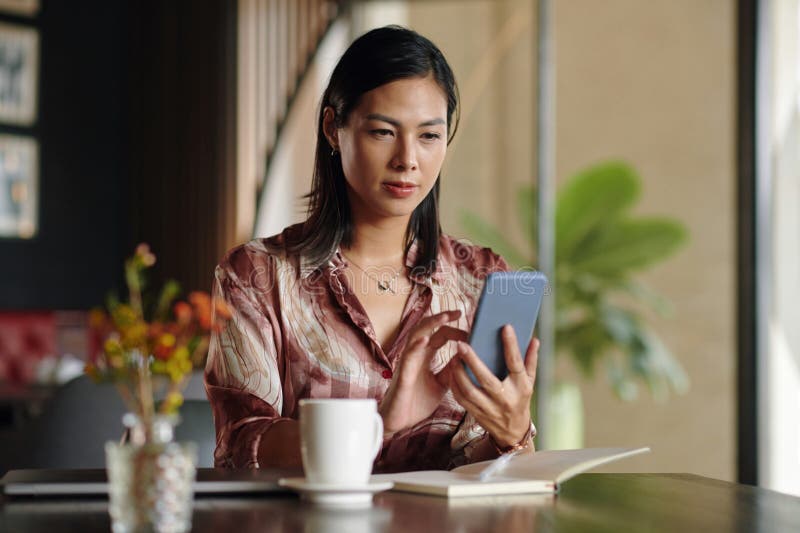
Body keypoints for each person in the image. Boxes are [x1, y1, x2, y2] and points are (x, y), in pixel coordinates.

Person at [205, 25, 539, 472]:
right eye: (383, 132)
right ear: (332, 127)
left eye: (429, 136)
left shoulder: (483, 277)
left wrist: (512, 433)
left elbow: (492, 472)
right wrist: (376, 425)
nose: (408, 159)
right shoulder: (258, 277)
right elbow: (242, 445)